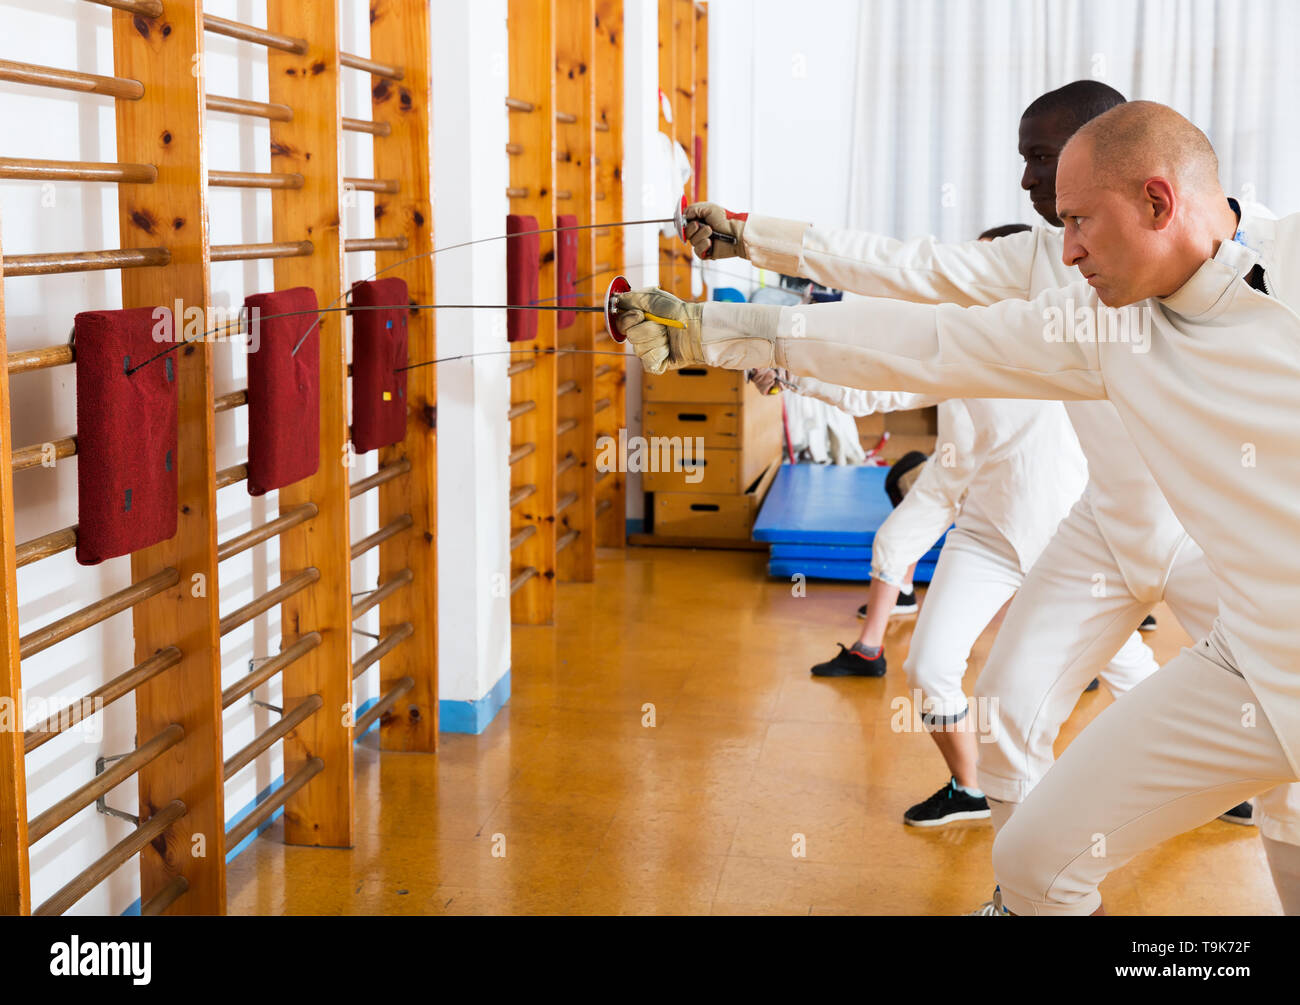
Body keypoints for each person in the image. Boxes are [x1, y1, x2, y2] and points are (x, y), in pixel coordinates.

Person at [615, 100, 1300, 915]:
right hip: (1243, 648)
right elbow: (927, 335)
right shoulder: (1099, 316)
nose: (1064, 241)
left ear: (1157, 201)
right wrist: (714, 329)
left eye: (1079, 216)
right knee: (1035, 851)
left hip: (1205, 569)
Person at [765, 228, 1155, 828]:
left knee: (1131, 672)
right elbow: (876, 386)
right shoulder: (956, 349)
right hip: (986, 537)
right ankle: (970, 788)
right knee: (927, 668)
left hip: (1070, 545)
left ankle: (1223, 781)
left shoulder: (1059, 343)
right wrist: (790, 371)